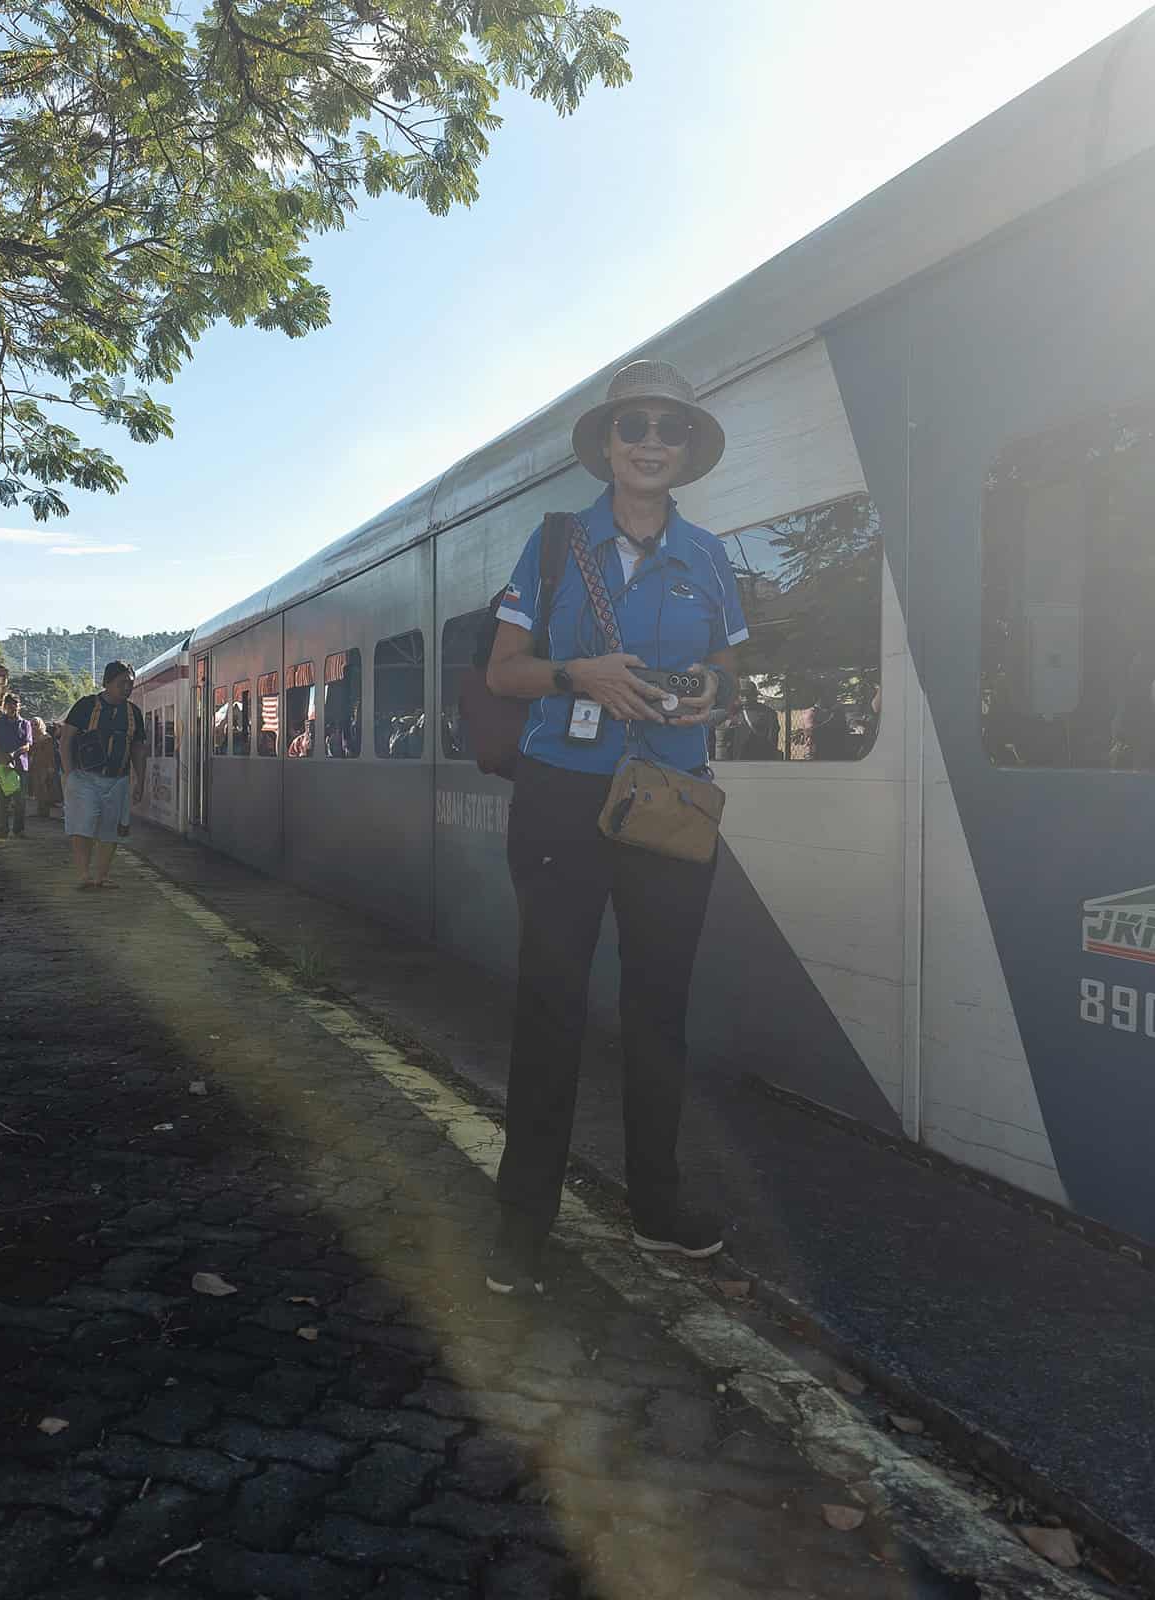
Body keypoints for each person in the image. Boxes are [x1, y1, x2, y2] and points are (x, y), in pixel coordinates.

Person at [478, 360, 746, 1295]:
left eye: (669, 428)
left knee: (657, 1014)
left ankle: (656, 1211)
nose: (650, 442)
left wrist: (712, 691)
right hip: (563, 799)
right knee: (549, 1005)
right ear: (607, 444)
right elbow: (502, 673)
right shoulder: (554, 545)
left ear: (685, 448)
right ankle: (522, 1221)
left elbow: (732, 674)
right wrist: (577, 674)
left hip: (668, 804)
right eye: (633, 426)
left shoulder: (708, 557)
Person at [61, 661, 148, 889]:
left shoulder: (133, 713)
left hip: (118, 779)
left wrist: (140, 779)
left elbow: (138, 748)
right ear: (107, 683)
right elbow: (66, 739)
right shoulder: (86, 706)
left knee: (112, 829)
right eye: (122, 683)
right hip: (84, 777)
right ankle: (83, 874)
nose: (127, 688)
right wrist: (69, 773)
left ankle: (102, 876)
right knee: (83, 824)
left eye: (130, 683)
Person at [0, 691, 33, 839]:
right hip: (3, 765)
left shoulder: (25, 724)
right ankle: (2, 830)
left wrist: (14, 754)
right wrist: (3, 757)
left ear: (19, 707)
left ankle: (19, 830)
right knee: (2, 800)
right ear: (5, 707)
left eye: (16, 706)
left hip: (20, 765)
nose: (13, 709)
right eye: (10, 706)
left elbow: (27, 744)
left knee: (20, 801)